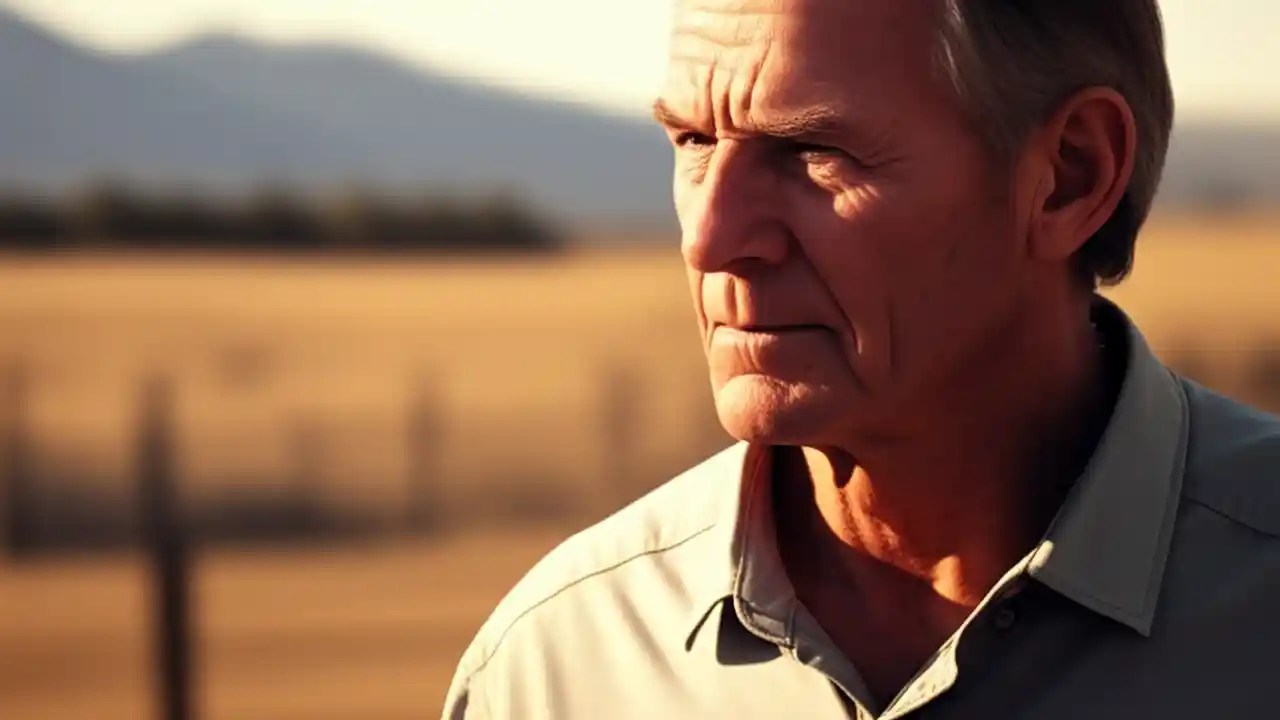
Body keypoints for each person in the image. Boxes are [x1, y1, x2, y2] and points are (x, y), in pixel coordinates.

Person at [442, 0, 1280, 717]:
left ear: (1068, 175)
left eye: (814, 152)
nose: (710, 239)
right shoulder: (558, 667)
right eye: (693, 140)